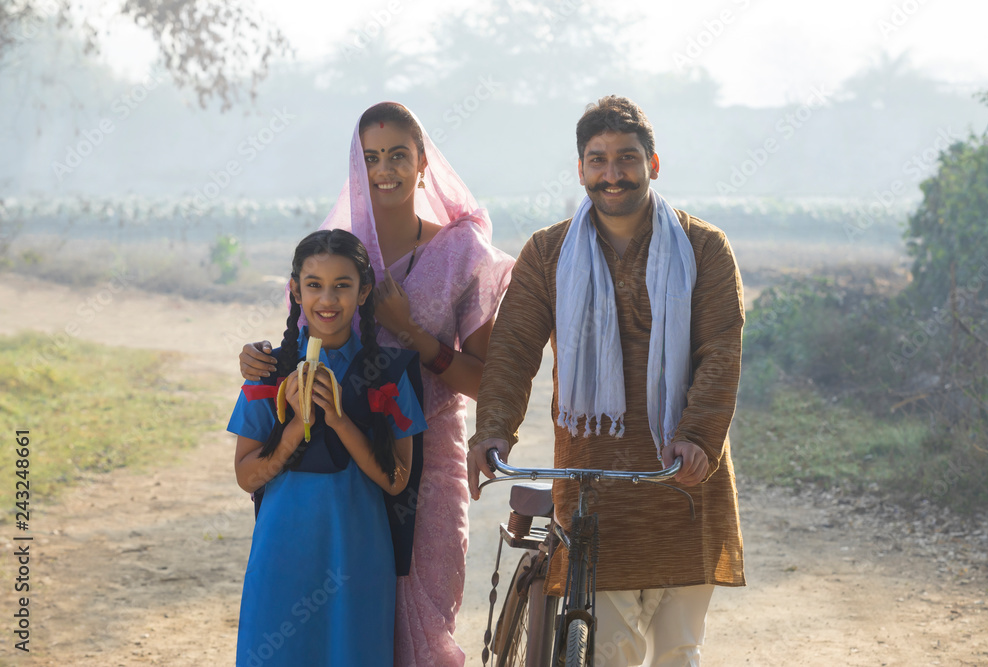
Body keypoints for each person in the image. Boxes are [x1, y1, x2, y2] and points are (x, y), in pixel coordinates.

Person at [467, 95, 746, 667]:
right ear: (581, 170)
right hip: (596, 489)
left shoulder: (705, 248)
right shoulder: (546, 254)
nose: (612, 174)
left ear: (654, 164)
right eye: (598, 160)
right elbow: (514, 348)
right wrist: (493, 430)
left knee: (679, 652)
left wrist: (696, 436)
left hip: (684, 480)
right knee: (607, 652)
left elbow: (720, 352)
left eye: (626, 158)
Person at [238, 102, 514, 666]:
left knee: (425, 612)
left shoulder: (463, 254)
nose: (383, 169)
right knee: (336, 613)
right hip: (331, 456)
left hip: (427, 452)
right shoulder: (338, 248)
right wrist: (257, 360)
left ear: (422, 164)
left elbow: (487, 381)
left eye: (397, 155)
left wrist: (411, 333)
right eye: (370, 158)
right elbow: (301, 338)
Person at [228, 229, 427, 665]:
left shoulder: (389, 375)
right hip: (281, 551)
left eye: (343, 285)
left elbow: (397, 481)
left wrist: (336, 418)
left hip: (357, 555)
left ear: (364, 291)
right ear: (295, 291)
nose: (327, 300)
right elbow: (246, 476)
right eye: (314, 285)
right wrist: (297, 426)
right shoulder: (268, 372)